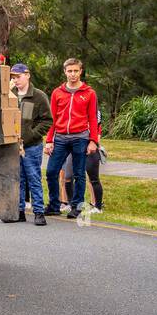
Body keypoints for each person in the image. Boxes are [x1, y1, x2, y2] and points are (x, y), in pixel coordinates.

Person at [44, 57, 101, 219]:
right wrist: (49, 140)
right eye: (70, 71)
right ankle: (55, 205)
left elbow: (93, 119)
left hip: (80, 138)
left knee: (79, 174)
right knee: (51, 171)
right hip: (60, 138)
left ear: (81, 71)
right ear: (65, 72)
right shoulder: (57, 93)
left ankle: (76, 206)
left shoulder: (89, 93)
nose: (73, 74)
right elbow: (52, 119)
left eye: (76, 71)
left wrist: (93, 141)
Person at [9, 63, 51, 225]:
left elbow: (47, 120)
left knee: (33, 177)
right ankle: (18, 211)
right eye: (13, 77)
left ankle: (39, 212)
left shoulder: (38, 96)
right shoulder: (10, 94)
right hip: (13, 145)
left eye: (18, 77)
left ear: (27, 75)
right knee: (17, 178)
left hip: (31, 146)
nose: (16, 80)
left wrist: (32, 135)